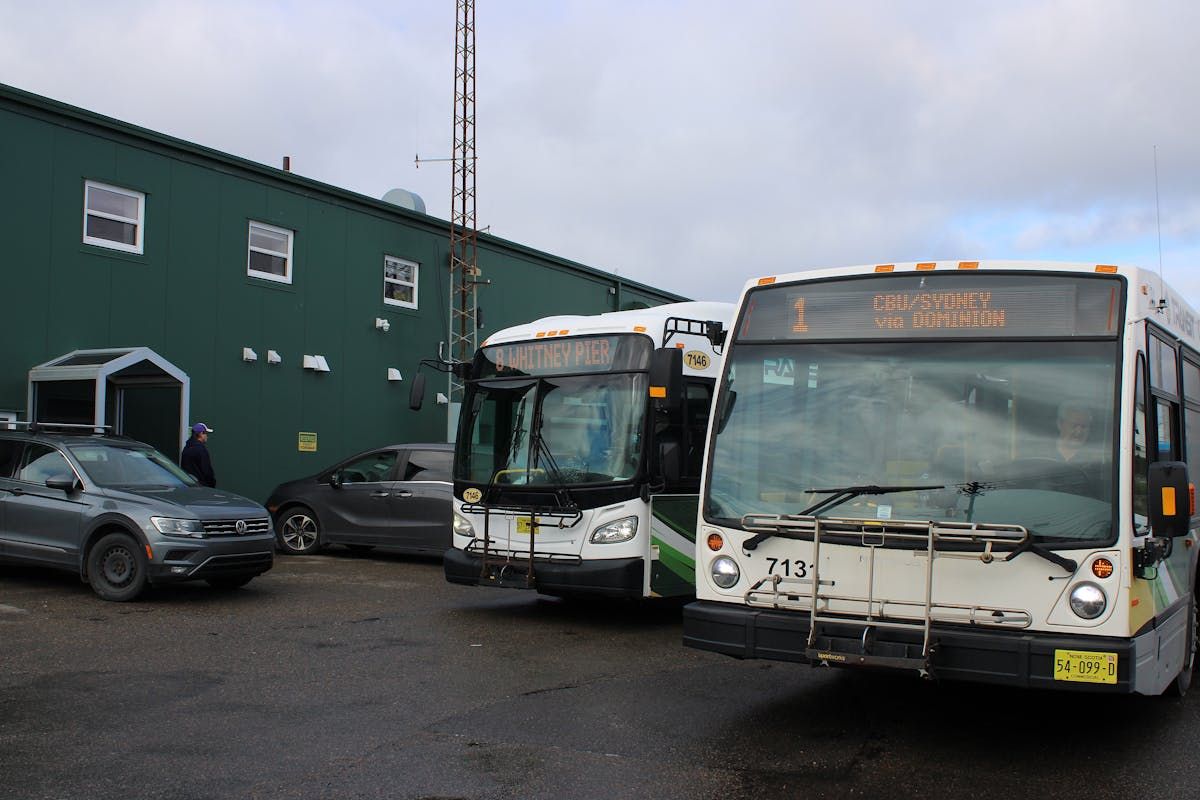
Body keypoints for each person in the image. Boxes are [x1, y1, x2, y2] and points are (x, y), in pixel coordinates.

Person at [180, 422, 216, 487]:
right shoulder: (201, 450)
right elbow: (207, 471)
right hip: (202, 487)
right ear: (201, 434)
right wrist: (212, 484)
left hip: (189, 486)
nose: (207, 436)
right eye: (206, 434)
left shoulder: (186, 448)